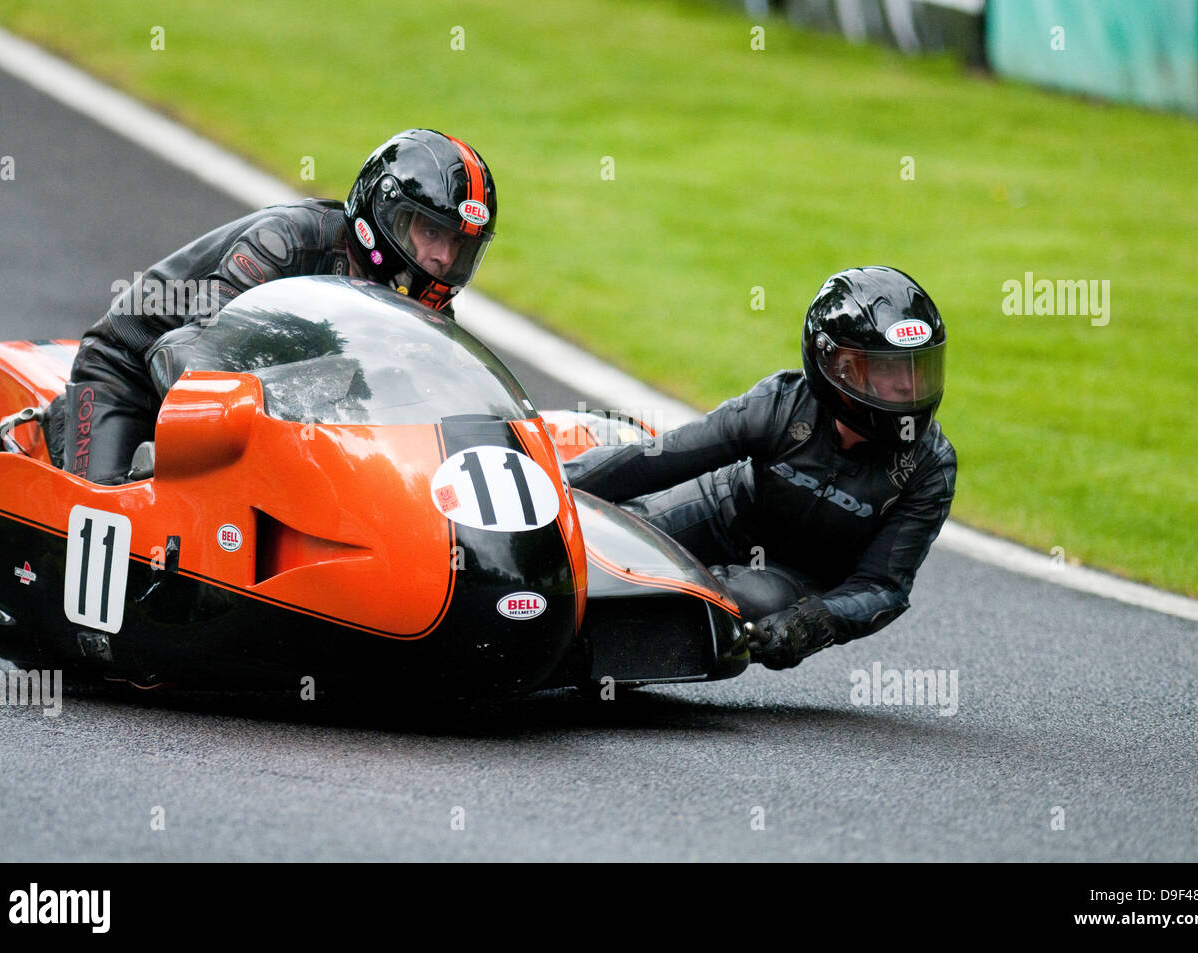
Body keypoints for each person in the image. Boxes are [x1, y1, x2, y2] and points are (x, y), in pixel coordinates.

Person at [564, 266, 957, 670]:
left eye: (917, 367)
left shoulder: (929, 468)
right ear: (835, 365)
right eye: (888, 369)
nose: (909, 386)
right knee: (606, 535)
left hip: (795, 576)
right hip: (718, 511)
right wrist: (555, 484)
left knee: (746, 601)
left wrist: (815, 621)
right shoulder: (780, 405)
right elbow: (662, 457)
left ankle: (590, 648)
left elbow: (883, 586)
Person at [66, 128, 497, 485]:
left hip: (259, 406)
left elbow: (437, 391)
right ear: (386, 211)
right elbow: (190, 355)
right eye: (431, 232)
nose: (442, 257)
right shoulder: (285, 242)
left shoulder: (421, 297)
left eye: (458, 244)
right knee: (105, 508)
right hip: (129, 373)